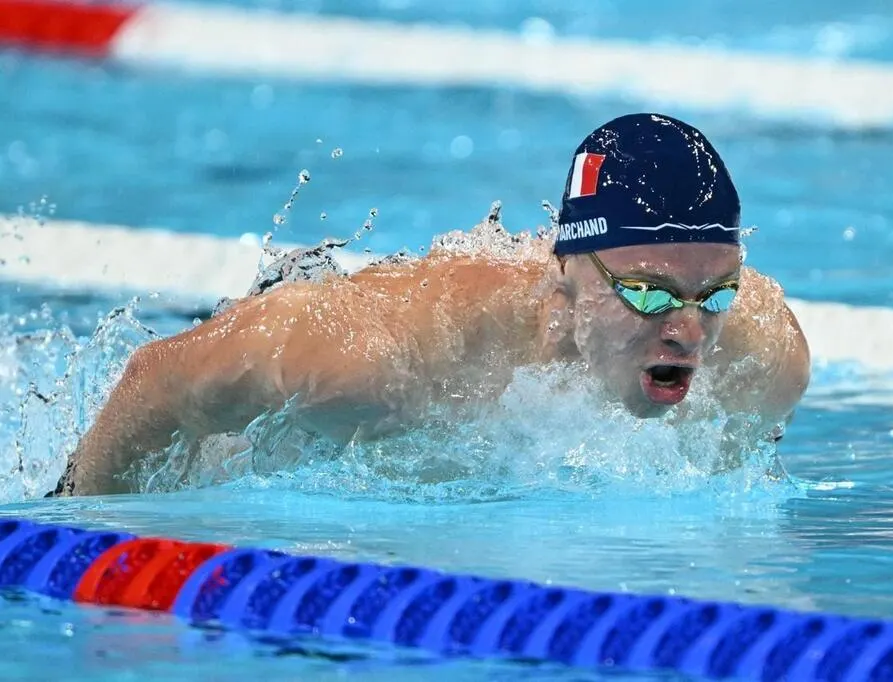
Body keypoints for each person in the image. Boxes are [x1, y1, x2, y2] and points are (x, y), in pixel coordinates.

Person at [51, 112, 810, 497]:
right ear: (567, 274)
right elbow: (157, 381)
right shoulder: (375, 359)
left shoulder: (763, 359)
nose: (689, 331)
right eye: (647, 292)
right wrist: (91, 546)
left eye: (716, 294)